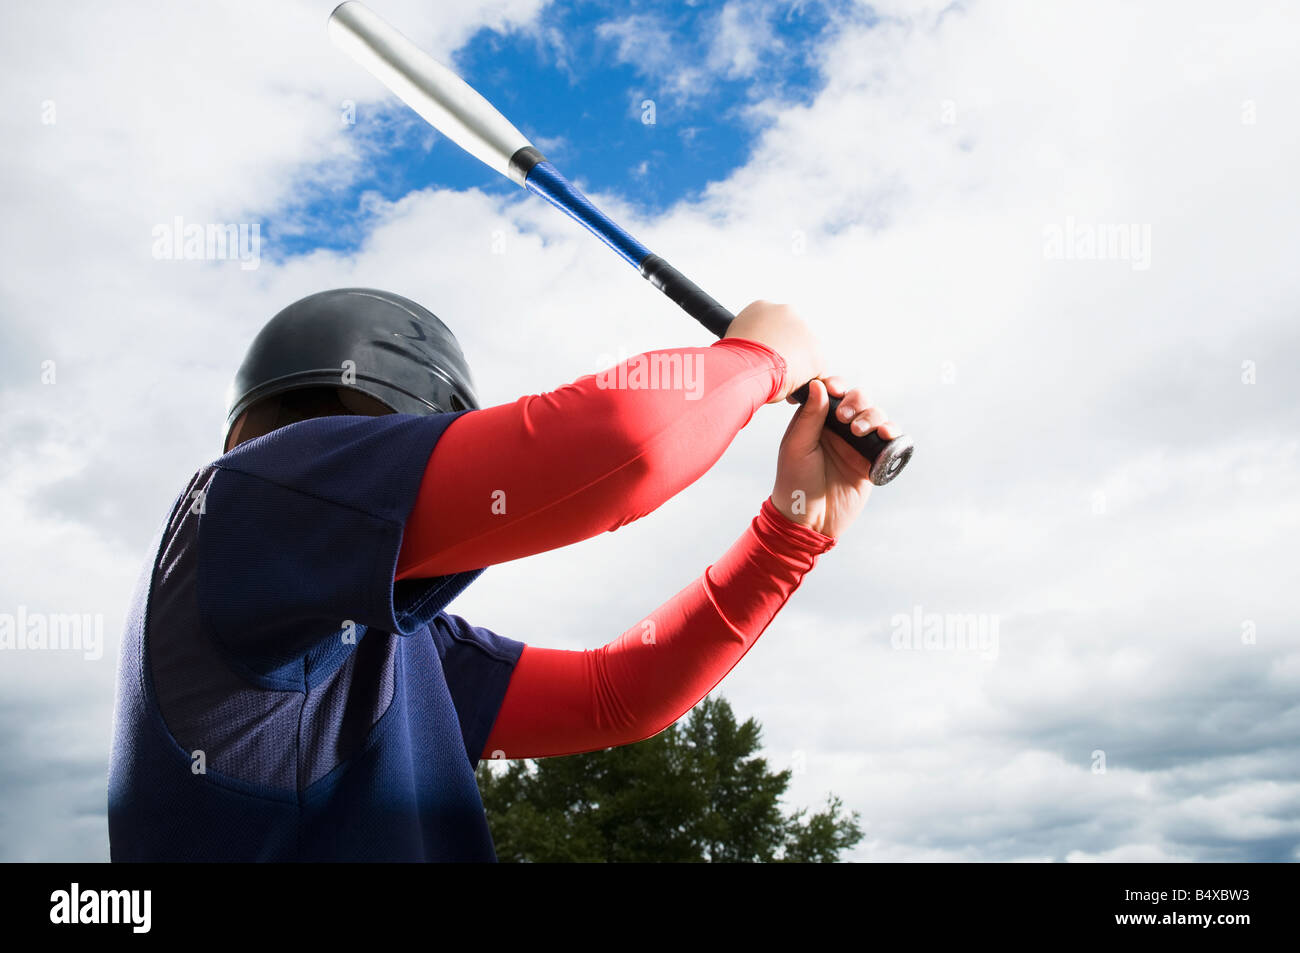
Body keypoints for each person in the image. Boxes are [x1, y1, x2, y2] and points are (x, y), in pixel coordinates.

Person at [107, 287, 895, 861]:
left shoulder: (386, 643)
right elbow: (623, 444)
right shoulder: (243, 505)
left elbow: (618, 695)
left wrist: (791, 534)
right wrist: (760, 357)